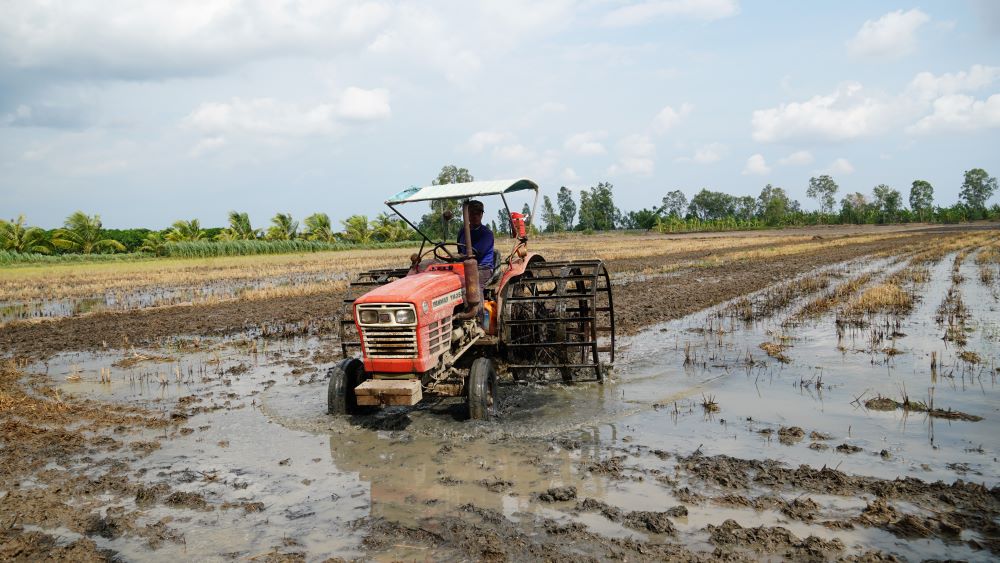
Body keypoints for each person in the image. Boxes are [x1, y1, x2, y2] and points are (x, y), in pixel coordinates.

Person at [456, 199, 494, 293]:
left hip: (483, 268)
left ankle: (478, 307)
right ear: (467, 215)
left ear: (482, 215)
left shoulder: (486, 234)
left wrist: (460, 257)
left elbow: (477, 253)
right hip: (464, 266)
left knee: (473, 288)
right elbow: (460, 250)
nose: (475, 216)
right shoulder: (462, 231)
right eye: (472, 213)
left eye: (478, 213)